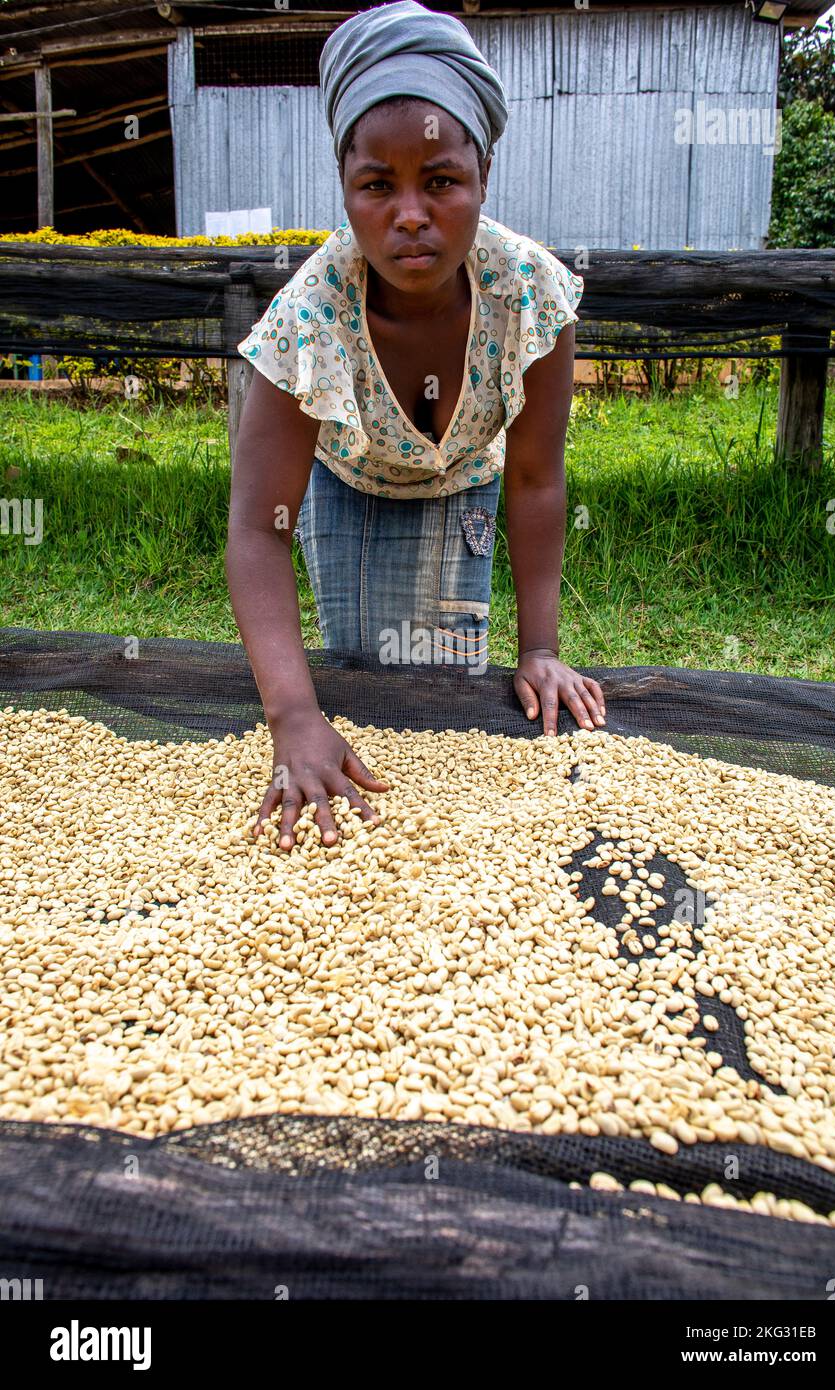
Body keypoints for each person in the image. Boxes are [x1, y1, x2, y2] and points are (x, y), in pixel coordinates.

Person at [227, 0, 606, 852]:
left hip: (464, 481)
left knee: (445, 699)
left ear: (483, 175)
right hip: (351, 486)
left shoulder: (530, 296)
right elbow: (258, 528)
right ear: (346, 187)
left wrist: (540, 648)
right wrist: (291, 716)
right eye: (376, 184)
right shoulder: (309, 323)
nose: (409, 212)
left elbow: (537, 476)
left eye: (440, 180)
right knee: (365, 684)